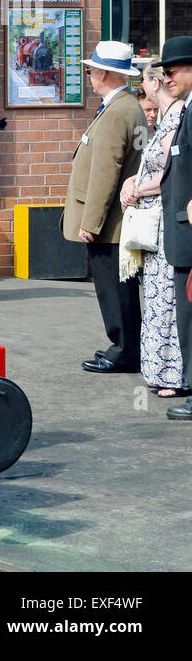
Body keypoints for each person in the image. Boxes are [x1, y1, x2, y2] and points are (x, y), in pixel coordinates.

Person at [65, 42, 145, 374]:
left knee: (114, 288)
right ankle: (125, 345)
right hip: (115, 218)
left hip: (109, 220)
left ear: (105, 74)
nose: (89, 76)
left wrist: (92, 221)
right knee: (119, 286)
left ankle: (124, 349)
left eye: (92, 70)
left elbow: (105, 171)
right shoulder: (126, 106)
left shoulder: (116, 112)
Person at [120, 63, 187, 396]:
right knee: (158, 296)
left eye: (144, 82)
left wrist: (138, 189)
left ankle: (171, 374)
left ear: (155, 83)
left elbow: (172, 172)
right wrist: (134, 181)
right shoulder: (166, 118)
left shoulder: (174, 119)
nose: (142, 90)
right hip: (155, 222)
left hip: (163, 223)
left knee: (165, 298)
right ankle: (161, 369)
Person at [155, 36, 192, 421]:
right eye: (163, 72)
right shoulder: (186, 109)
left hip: (189, 230)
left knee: (191, 315)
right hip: (182, 228)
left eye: (174, 70)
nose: (167, 78)